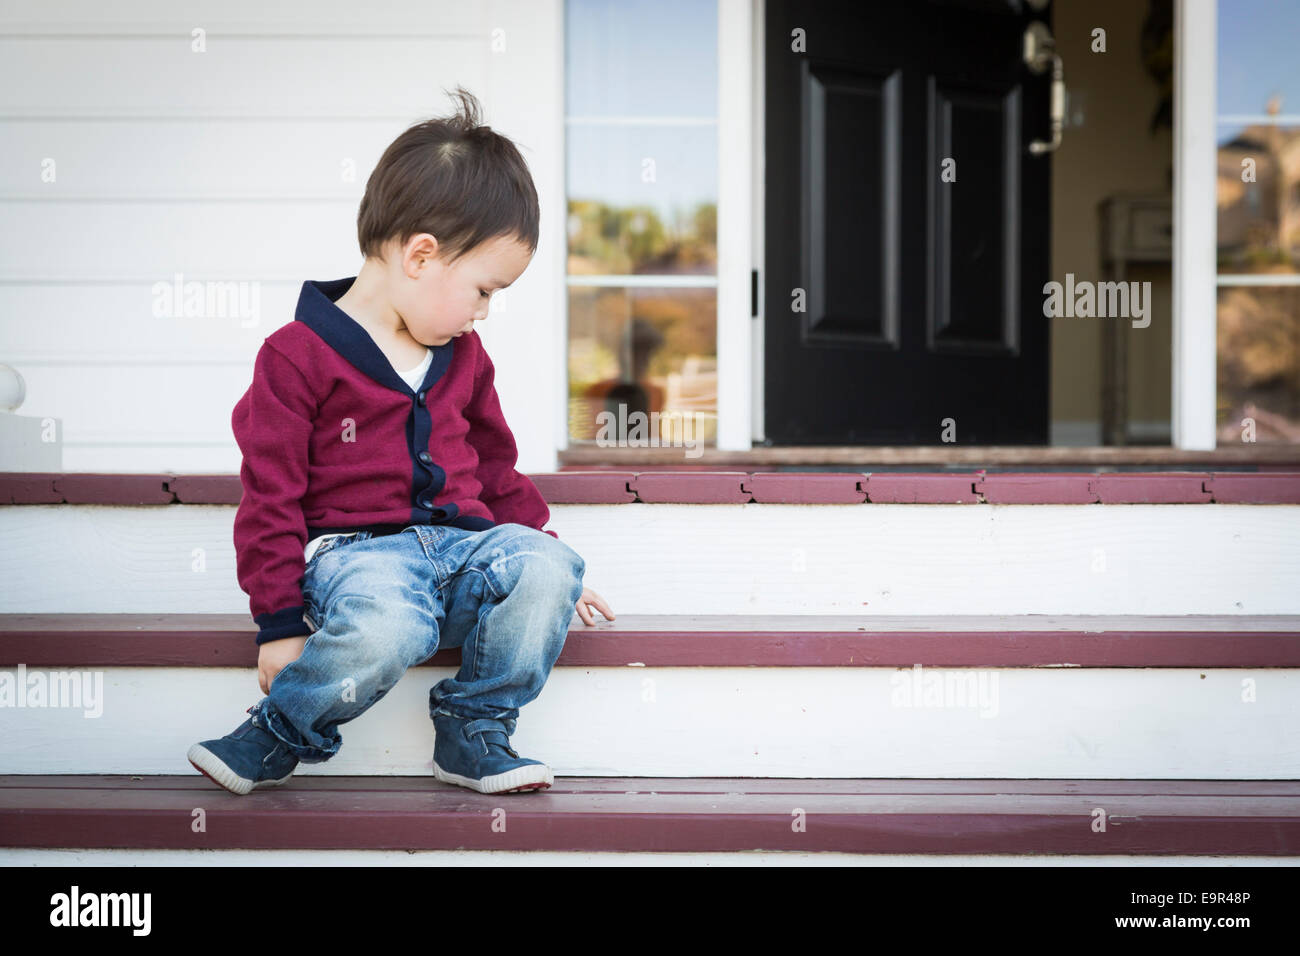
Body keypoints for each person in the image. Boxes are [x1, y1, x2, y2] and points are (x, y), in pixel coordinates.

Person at [188, 87, 614, 797]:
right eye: (483, 289)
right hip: (356, 561)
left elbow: (495, 465)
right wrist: (279, 625)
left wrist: (541, 550)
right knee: (389, 623)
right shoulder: (297, 357)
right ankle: (279, 729)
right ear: (421, 256)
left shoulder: (465, 356)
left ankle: (474, 730)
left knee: (547, 564)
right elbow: (270, 498)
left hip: (457, 550)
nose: (484, 312)